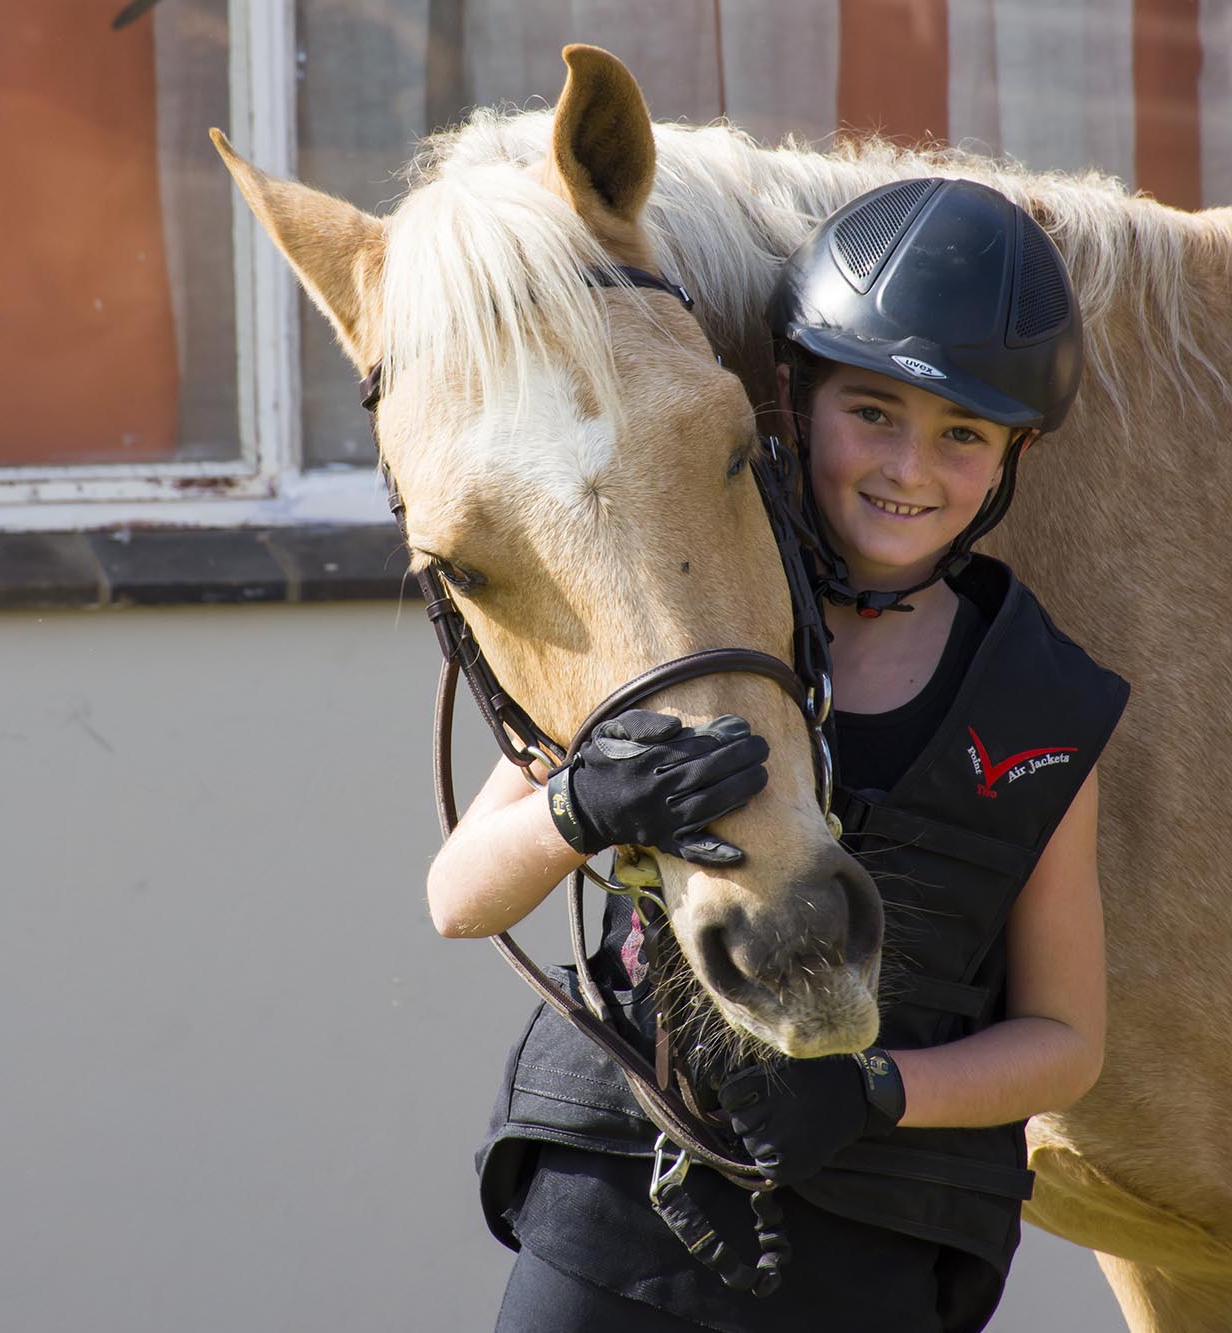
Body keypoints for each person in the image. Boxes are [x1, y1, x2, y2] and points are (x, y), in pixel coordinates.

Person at [427, 178, 1130, 1333]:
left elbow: (1064, 1045)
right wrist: (579, 802)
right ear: (797, 401)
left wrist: (873, 1090)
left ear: (1010, 456)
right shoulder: (671, 609)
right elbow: (456, 898)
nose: (907, 467)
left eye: (960, 435)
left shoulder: (1043, 708)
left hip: (884, 1234)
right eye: (873, 413)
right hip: (617, 1195)